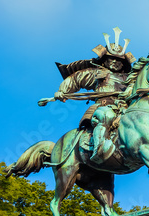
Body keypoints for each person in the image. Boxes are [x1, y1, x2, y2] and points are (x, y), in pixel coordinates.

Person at [51, 28, 135, 165]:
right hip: (103, 106)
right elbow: (75, 79)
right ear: (104, 60)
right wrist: (62, 91)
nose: (114, 62)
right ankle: (99, 149)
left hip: (123, 108)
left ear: (123, 64)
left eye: (118, 60)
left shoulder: (129, 78)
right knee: (104, 115)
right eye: (111, 59)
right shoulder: (96, 72)